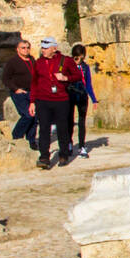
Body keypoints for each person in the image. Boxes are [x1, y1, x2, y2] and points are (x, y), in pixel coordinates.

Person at [27, 37, 83, 169]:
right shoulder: (39, 62)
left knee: (62, 128)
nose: (43, 50)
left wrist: (66, 78)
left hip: (61, 100)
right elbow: (34, 83)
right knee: (44, 129)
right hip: (43, 100)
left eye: (46, 48)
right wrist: (32, 101)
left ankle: (63, 154)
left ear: (54, 48)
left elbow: (78, 76)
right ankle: (44, 157)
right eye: (42, 48)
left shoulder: (66, 60)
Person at [2, 39, 36, 149]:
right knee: (27, 115)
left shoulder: (32, 60)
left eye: (28, 47)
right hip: (20, 93)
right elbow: (5, 78)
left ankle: (31, 141)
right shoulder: (12, 62)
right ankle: (16, 137)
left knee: (34, 117)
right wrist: (15, 89)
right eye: (23, 48)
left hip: (32, 92)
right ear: (17, 49)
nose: (26, 50)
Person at [67, 44, 99, 158]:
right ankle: (69, 143)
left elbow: (88, 84)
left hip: (82, 96)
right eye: (77, 56)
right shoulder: (69, 66)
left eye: (81, 56)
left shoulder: (85, 67)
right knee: (69, 121)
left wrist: (94, 99)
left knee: (81, 122)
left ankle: (81, 146)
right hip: (70, 96)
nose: (79, 59)